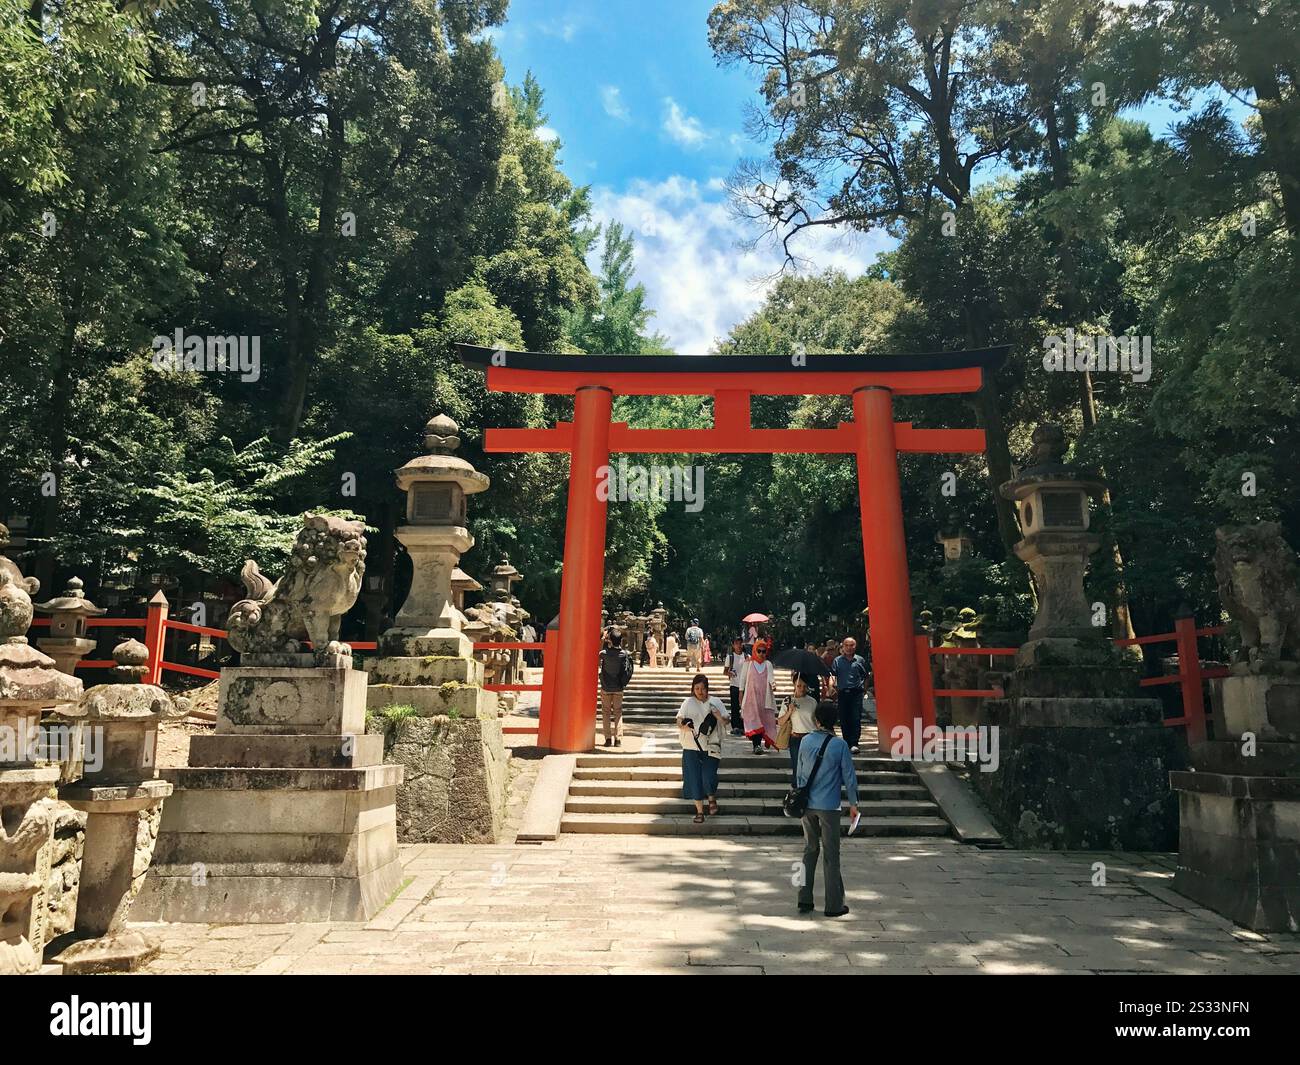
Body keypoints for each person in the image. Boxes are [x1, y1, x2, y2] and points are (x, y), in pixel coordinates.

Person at [795, 701, 858, 917]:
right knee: (831, 855)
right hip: (829, 805)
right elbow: (849, 776)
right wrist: (854, 803)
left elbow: (800, 773)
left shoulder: (805, 741)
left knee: (809, 851)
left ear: (817, 720)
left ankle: (804, 898)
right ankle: (833, 905)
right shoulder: (840, 745)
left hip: (807, 803)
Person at [676, 673, 727, 823]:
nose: (700, 691)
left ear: (707, 689)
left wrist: (717, 716)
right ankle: (699, 811)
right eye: (697, 688)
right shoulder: (687, 702)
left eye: (703, 688)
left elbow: (726, 721)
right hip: (691, 747)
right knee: (694, 779)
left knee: (708, 776)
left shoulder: (715, 702)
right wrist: (682, 726)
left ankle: (711, 796)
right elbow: (679, 719)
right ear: (693, 689)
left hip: (711, 747)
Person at [737, 638, 779, 754]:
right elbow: (743, 680)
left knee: (765, 721)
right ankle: (756, 745)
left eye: (763, 651)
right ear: (755, 650)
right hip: (751, 699)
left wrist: (774, 685)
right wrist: (741, 693)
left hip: (764, 699)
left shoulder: (768, 664)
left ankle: (764, 739)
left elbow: (771, 677)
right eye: (759, 651)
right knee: (754, 721)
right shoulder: (748, 663)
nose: (761, 653)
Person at [776, 673, 818, 785]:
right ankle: (796, 792)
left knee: (810, 766)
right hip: (795, 738)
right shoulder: (788, 700)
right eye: (799, 686)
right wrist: (789, 711)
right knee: (796, 766)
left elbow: (816, 721)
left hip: (811, 737)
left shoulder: (812, 701)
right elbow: (780, 722)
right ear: (794, 685)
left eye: (804, 686)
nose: (802, 689)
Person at [830, 635, 869, 754]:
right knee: (843, 718)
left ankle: (854, 743)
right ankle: (846, 742)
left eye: (851, 645)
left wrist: (865, 690)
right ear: (843, 646)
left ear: (855, 646)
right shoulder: (837, 660)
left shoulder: (860, 660)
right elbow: (833, 675)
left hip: (856, 693)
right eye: (846, 645)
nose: (849, 648)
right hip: (842, 692)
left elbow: (866, 676)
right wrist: (831, 686)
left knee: (855, 718)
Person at [597, 631, 634, 747]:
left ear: (610, 640)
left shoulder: (604, 653)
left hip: (606, 687)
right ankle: (618, 739)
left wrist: (603, 639)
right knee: (618, 713)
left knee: (606, 713)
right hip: (618, 687)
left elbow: (596, 654)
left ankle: (608, 739)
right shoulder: (624, 654)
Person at [723, 637, 746, 735]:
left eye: (740, 643)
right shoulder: (730, 657)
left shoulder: (746, 656)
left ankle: (743, 726)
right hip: (734, 684)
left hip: (744, 685)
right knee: (735, 706)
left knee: (744, 707)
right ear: (733, 645)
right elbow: (724, 671)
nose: (739, 646)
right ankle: (735, 726)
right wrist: (730, 673)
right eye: (736, 643)